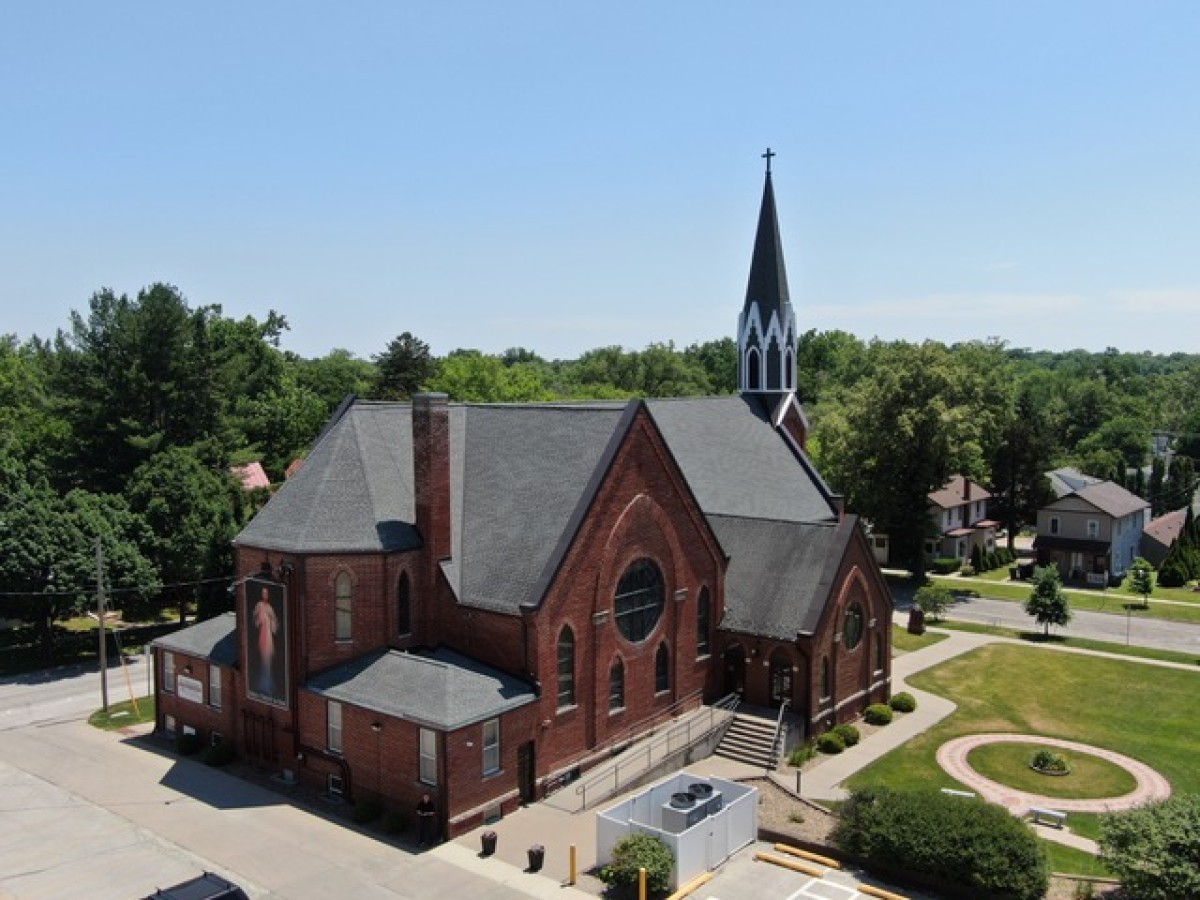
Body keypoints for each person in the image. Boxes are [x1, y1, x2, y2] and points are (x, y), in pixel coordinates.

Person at [253, 586, 279, 697]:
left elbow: (274, 622)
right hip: (262, 636)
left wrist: (272, 623)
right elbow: (255, 622)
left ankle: (268, 684)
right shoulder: (259, 605)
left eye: (266, 593)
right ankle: (264, 684)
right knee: (264, 660)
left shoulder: (269, 607)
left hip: (268, 636)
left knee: (268, 660)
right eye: (263, 593)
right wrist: (260, 620)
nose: (265, 595)